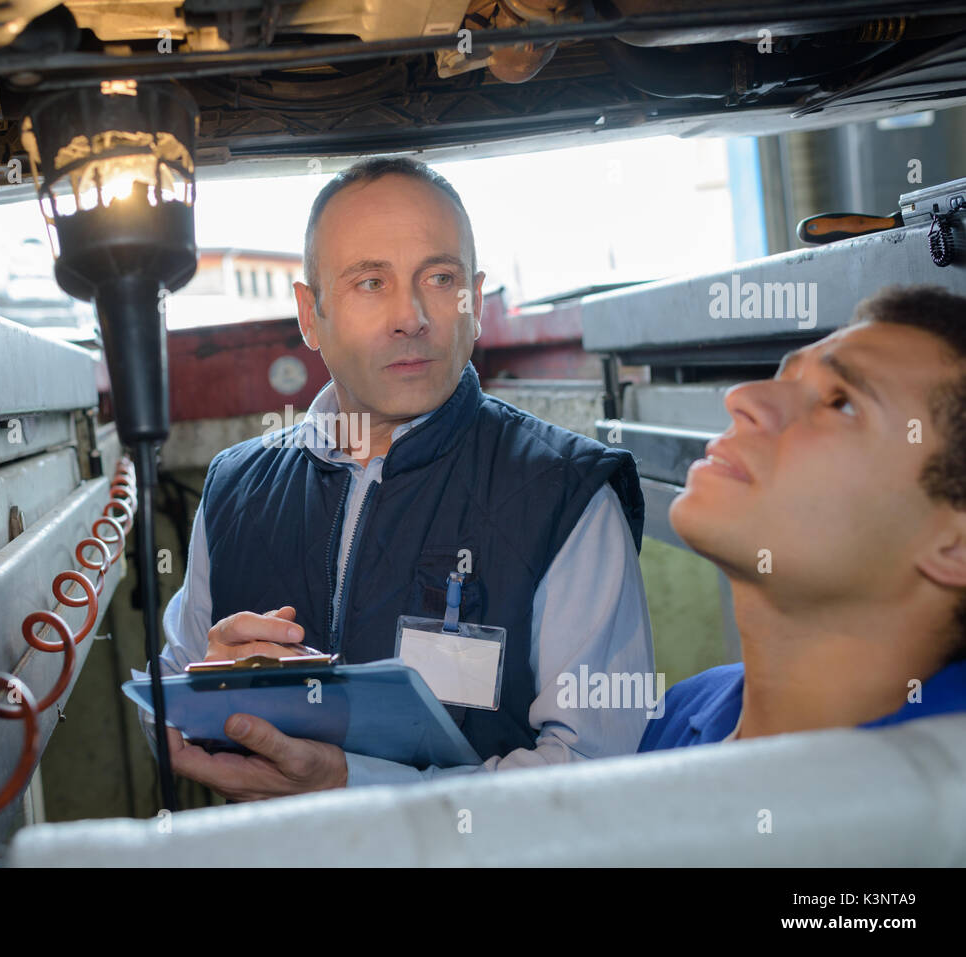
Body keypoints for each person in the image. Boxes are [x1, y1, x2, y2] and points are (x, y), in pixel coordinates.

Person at [153, 156, 657, 802]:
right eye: (370, 283)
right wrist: (203, 691)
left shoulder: (567, 495)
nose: (411, 314)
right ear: (311, 315)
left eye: (439, 278)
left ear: (473, 302)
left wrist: (349, 782)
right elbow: (161, 716)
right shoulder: (235, 488)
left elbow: (596, 780)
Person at [639, 285, 966, 752]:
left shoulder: (940, 805)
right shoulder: (676, 712)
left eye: (842, 403)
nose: (743, 396)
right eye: (785, 376)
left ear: (954, 545)